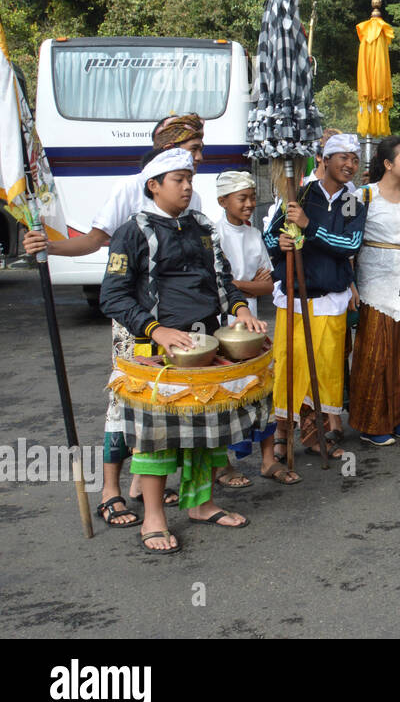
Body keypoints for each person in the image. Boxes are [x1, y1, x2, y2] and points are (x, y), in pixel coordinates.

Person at [22, 114, 205, 526]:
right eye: (192, 149)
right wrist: (48, 247)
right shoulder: (129, 188)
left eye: (198, 151)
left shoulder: (191, 195)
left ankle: (144, 482)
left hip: (178, 322)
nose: (197, 159)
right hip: (134, 317)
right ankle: (110, 491)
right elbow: (93, 240)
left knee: (163, 402)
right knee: (124, 401)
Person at [99, 148, 267, 552]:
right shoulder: (132, 231)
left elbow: (223, 280)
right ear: (154, 186)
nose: (188, 186)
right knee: (157, 435)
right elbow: (113, 296)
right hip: (156, 349)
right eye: (178, 180)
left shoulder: (203, 227)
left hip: (205, 343)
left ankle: (201, 503)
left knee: (206, 430)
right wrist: (156, 331)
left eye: (190, 179)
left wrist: (241, 310)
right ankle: (154, 518)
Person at [264, 133, 366, 466]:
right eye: (343, 158)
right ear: (324, 159)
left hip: (331, 297)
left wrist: (309, 227)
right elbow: (269, 235)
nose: (350, 164)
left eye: (354, 158)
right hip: (295, 296)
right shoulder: (301, 192)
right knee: (289, 365)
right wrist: (280, 242)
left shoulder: (352, 200)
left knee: (324, 369)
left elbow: (350, 244)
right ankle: (282, 436)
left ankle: (316, 435)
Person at [350, 137, 400, 446]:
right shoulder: (363, 196)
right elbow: (348, 245)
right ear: (387, 163)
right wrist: (350, 284)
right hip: (375, 287)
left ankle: (398, 418)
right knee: (374, 355)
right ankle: (370, 424)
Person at [211, 170, 277, 487]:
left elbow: (269, 286)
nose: (250, 203)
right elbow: (219, 286)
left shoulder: (253, 234)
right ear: (223, 200)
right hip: (223, 325)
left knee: (261, 388)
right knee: (224, 394)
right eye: (243, 198)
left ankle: (267, 460)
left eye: (252, 197)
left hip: (251, 322)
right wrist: (245, 287)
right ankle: (223, 464)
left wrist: (239, 287)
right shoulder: (213, 234)